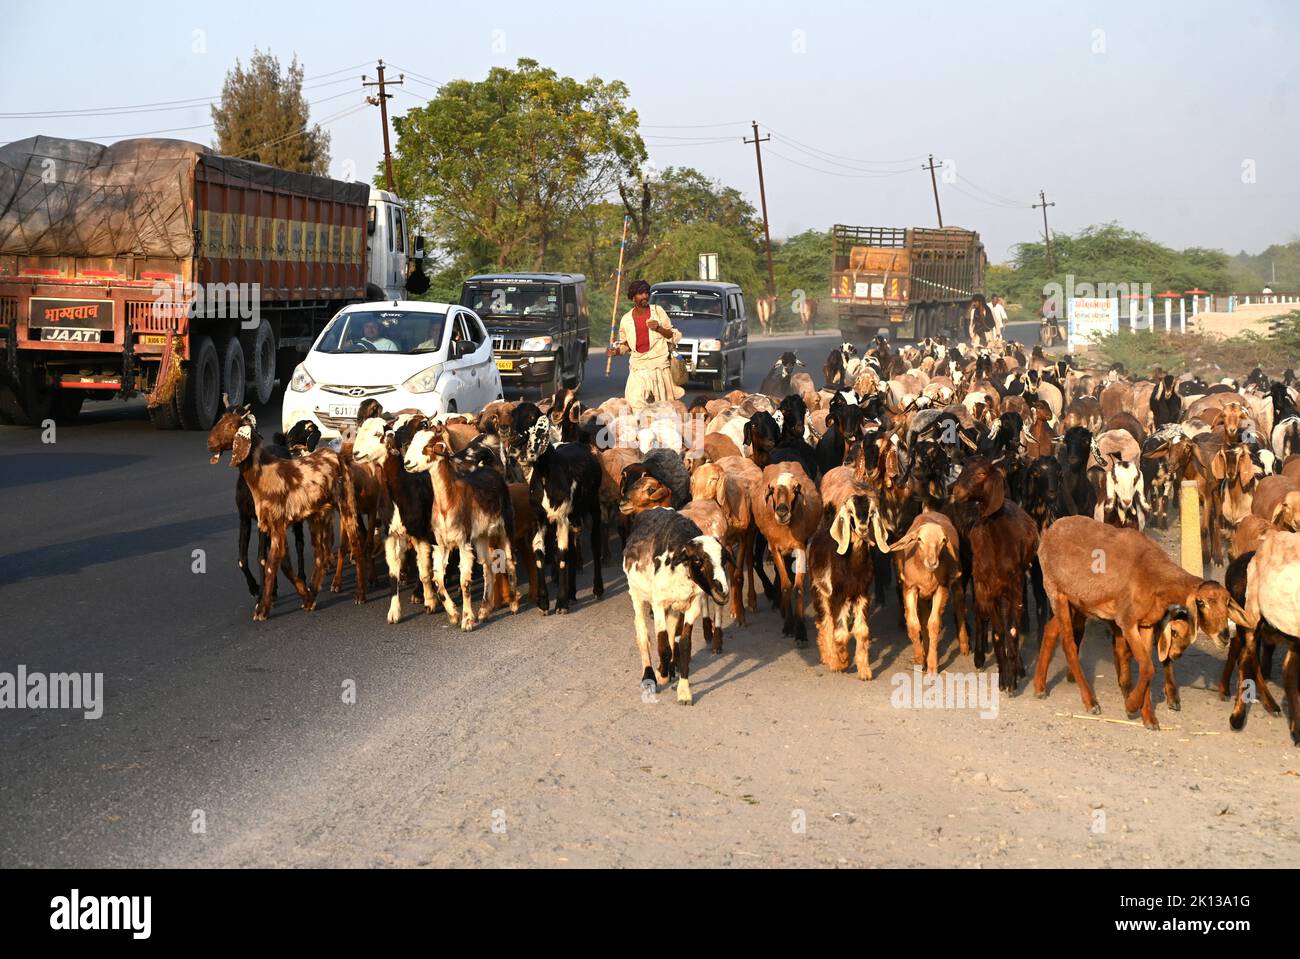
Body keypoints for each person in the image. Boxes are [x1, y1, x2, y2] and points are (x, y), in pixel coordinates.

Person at [607, 279, 683, 411]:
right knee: (635, 405)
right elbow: (626, 345)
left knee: (661, 410)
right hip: (638, 368)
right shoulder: (626, 319)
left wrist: (658, 328)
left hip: (658, 367)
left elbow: (673, 336)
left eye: (646, 293)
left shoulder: (657, 312)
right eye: (640, 294)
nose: (645, 296)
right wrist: (616, 351)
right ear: (633, 297)